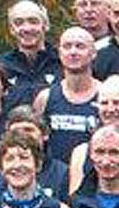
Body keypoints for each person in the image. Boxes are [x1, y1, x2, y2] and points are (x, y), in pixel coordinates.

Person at [31, 27, 101, 165]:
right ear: (60, 53)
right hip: (56, 179)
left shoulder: (106, 95)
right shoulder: (45, 98)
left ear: (93, 53)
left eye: (80, 46)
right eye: (67, 46)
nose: (73, 52)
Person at [0, 0, 60, 110]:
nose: (27, 28)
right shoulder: (2, 66)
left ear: (45, 25)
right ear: (11, 29)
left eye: (33, 21)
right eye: (19, 23)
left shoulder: (63, 62)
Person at [2, 108, 70, 202]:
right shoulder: (0, 173)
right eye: (16, 131)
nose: (23, 135)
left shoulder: (63, 174)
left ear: (45, 134)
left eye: (28, 130)